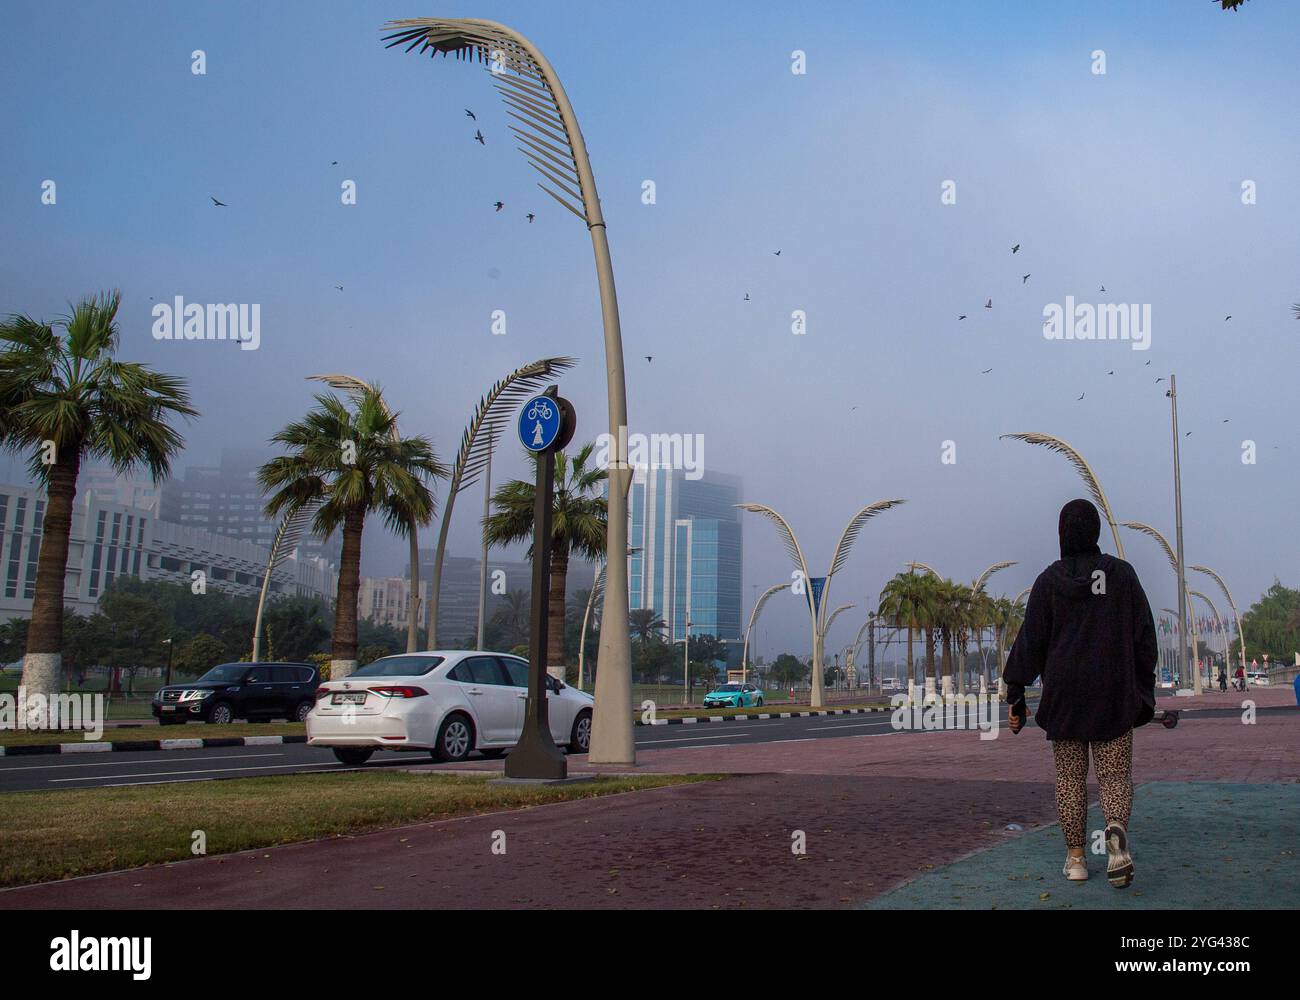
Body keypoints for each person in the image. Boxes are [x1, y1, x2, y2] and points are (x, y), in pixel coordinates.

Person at [1003, 498, 1157, 888]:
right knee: (1115, 777)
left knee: (1070, 780)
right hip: (1113, 694)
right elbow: (1145, 639)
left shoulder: (1050, 582)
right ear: (1096, 532)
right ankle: (1116, 838)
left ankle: (1076, 859)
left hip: (1066, 697)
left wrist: (1016, 694)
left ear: (1062, 534)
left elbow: (1031, 642)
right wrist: (1142, 689)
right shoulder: (1121, 576)